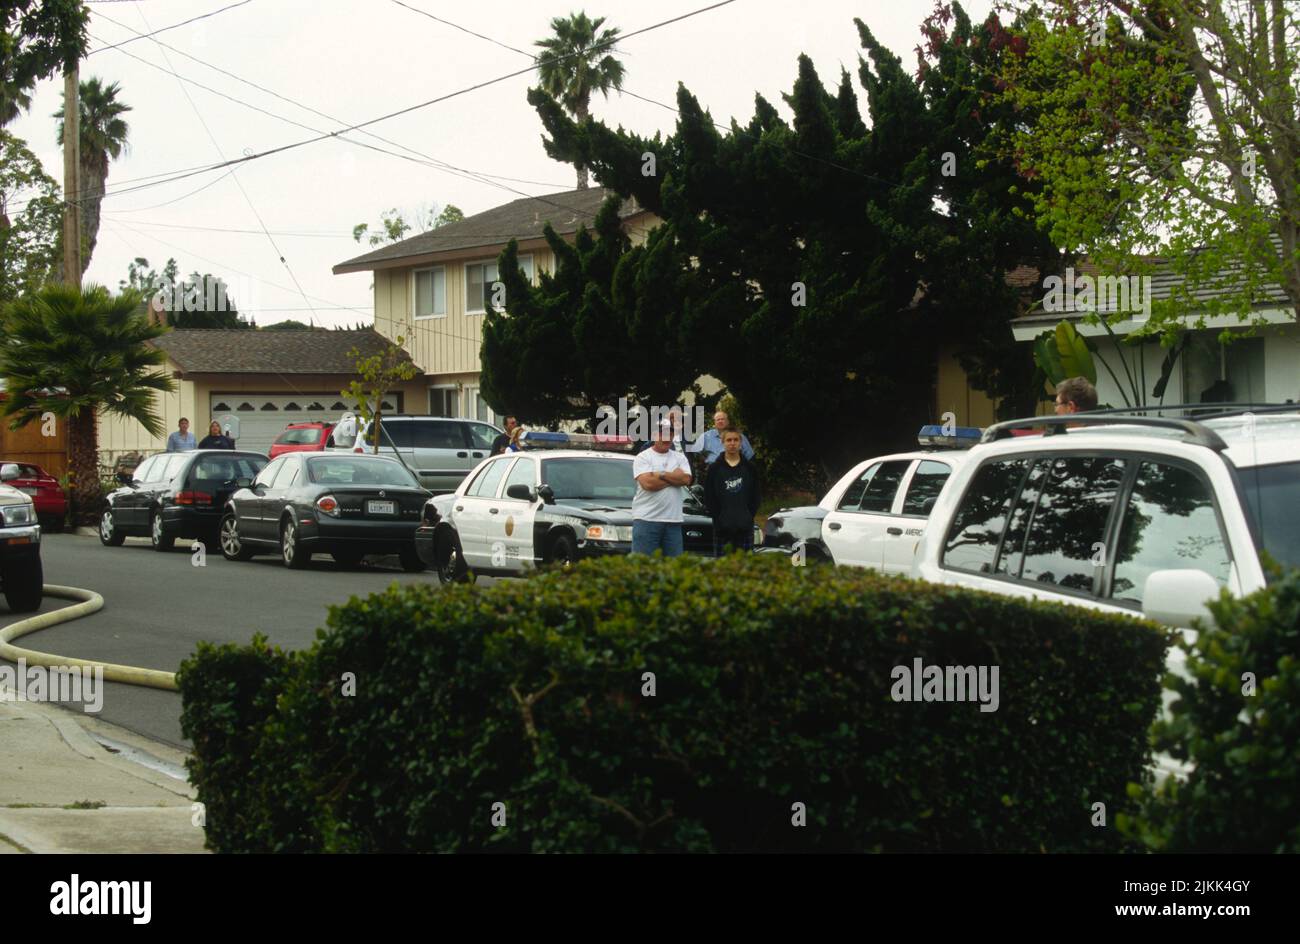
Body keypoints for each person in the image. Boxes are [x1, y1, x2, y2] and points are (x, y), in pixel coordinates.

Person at [631, 421, 694, 558]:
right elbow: (648, 484)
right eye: (662, 434)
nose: (667, 438)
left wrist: (662, 474)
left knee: (674, 571)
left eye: (670, 434)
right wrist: (674, 478)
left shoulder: (680, 457)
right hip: (646, 520)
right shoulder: (643, 457)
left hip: (673, 521)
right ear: (654, 435)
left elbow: (686, 480)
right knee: (643, 568)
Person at [704, 428, 761, 555]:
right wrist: (718, 519)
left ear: (741, 443)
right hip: (722, 529)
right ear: (722, 443)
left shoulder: (750, 468)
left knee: (746, 570)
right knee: (722, 571)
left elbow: (756, 497)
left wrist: (748, 516)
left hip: (745, 527)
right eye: (729, 440)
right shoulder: (714, 469)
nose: (732, 443)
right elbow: (709, 497)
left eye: (736, 440)